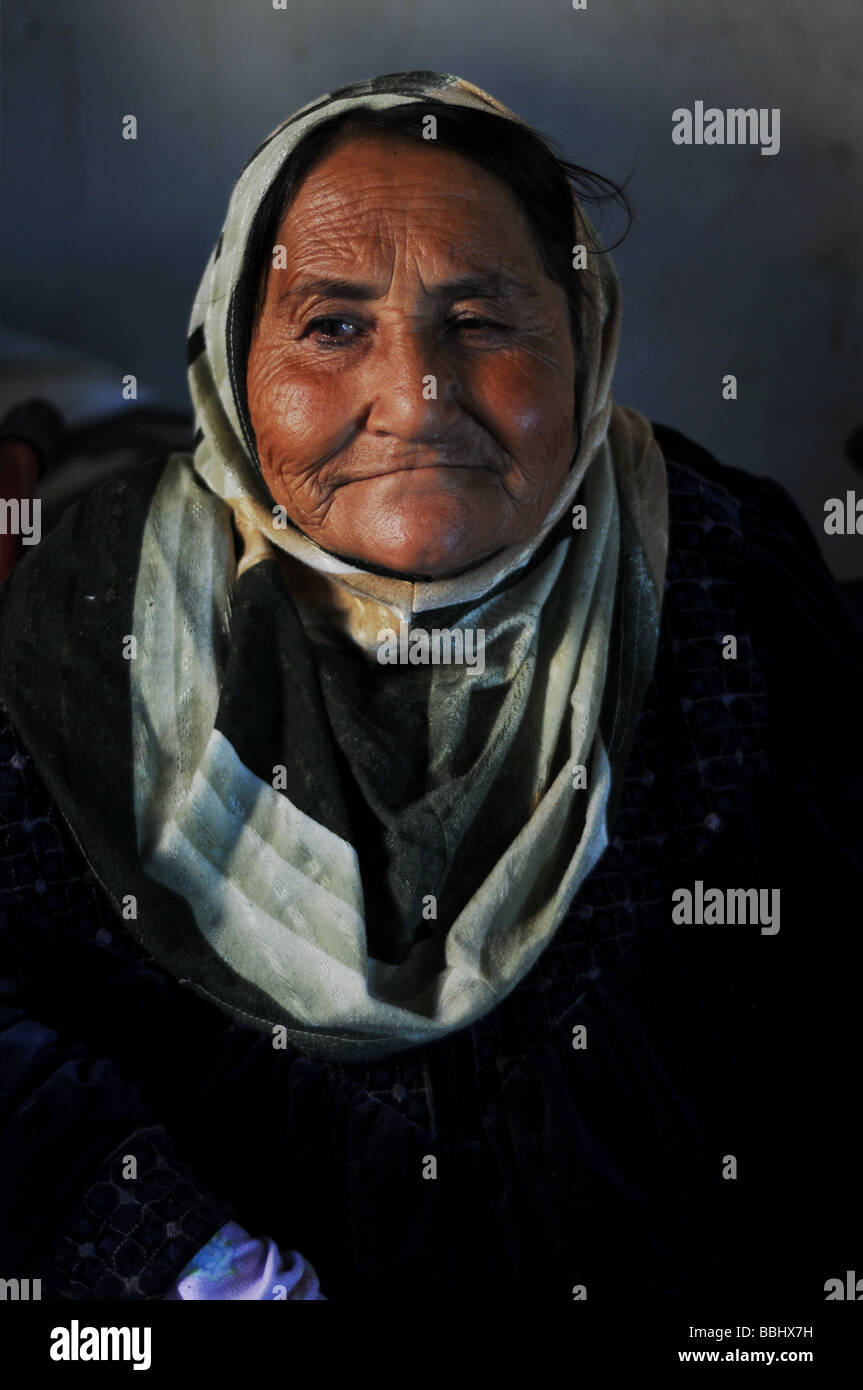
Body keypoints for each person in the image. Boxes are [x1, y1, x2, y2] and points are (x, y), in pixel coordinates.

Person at [1, 71, 861, 1305]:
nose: (414, 395)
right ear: (235, 363)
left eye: (481, 320)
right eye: (332, 325)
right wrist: (183, 1262)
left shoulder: (722, 569)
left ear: (585, 342)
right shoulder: (90, 616)